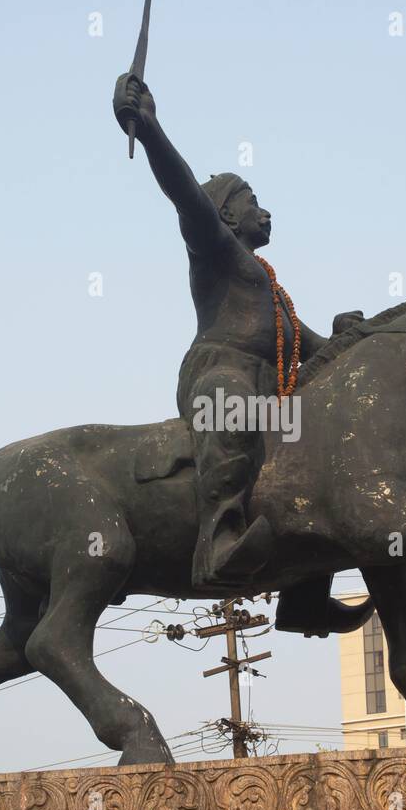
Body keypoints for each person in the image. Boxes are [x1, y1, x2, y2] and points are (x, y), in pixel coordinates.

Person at [113, 72, 332, 588]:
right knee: (230, 407)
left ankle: (308, 587)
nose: (266, 211)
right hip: (221, 370)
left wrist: (361, 335)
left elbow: (313, 347)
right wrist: (149, 130)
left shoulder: (273, 288)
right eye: (253, 200)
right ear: (226, 215)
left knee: (321, 445)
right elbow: (185, 193)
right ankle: (220, 539)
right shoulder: (213, 248)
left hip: (270, 385)